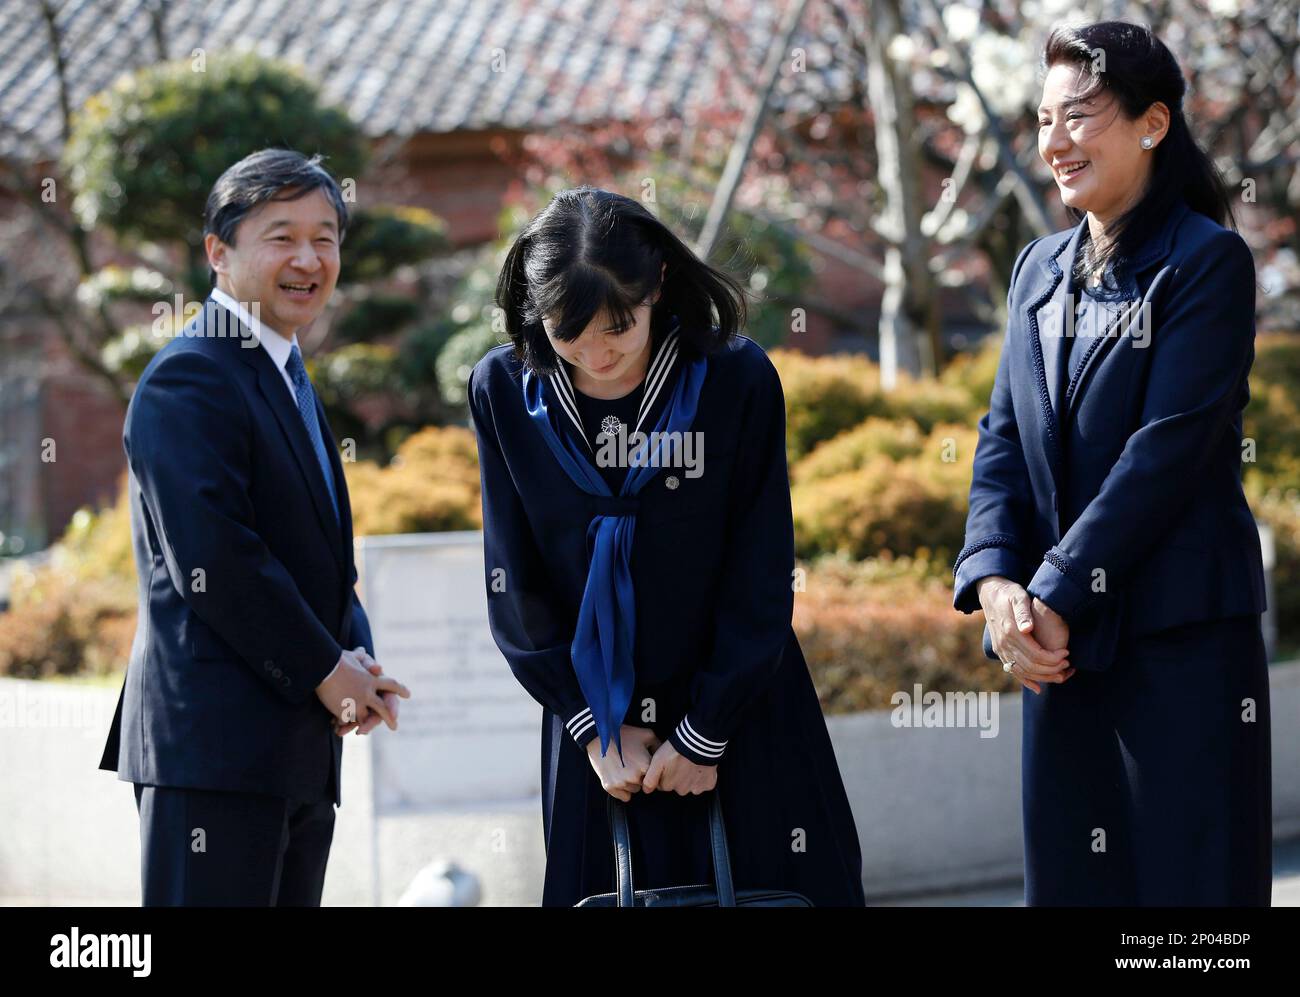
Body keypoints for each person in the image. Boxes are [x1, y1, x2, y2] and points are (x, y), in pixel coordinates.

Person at [468, 187, 865, 906]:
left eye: (619, 326)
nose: (597, 353)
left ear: (657, 285)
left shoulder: (734, 379)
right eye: (568, 331)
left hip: (741, 710)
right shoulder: (503, 390)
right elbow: (512, 576)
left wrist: (705, 730)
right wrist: (594, 731)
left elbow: (762, 567)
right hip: (599, 731)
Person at [953, 22, 1271, 905]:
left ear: (1152, 123)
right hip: (1059, 654)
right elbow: (1003, 438)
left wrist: (1050, 592)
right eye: (1044, 120)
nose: (1053, 143)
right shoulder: (1036, 269)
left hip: (1179, 645)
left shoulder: (1207, 263)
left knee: (1187, 916)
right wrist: (993, 585)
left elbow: (1166, 451)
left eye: (1080, 117)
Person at [99, 148, 410, 906]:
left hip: (294, 749)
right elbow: (218, 558)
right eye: (281, 236)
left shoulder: (286, 371)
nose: (309, 258)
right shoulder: (191, 374)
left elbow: (316, 549)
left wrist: (354, 655)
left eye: (326, 237)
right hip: (214, 754)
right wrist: (323, 667)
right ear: (218, 251)